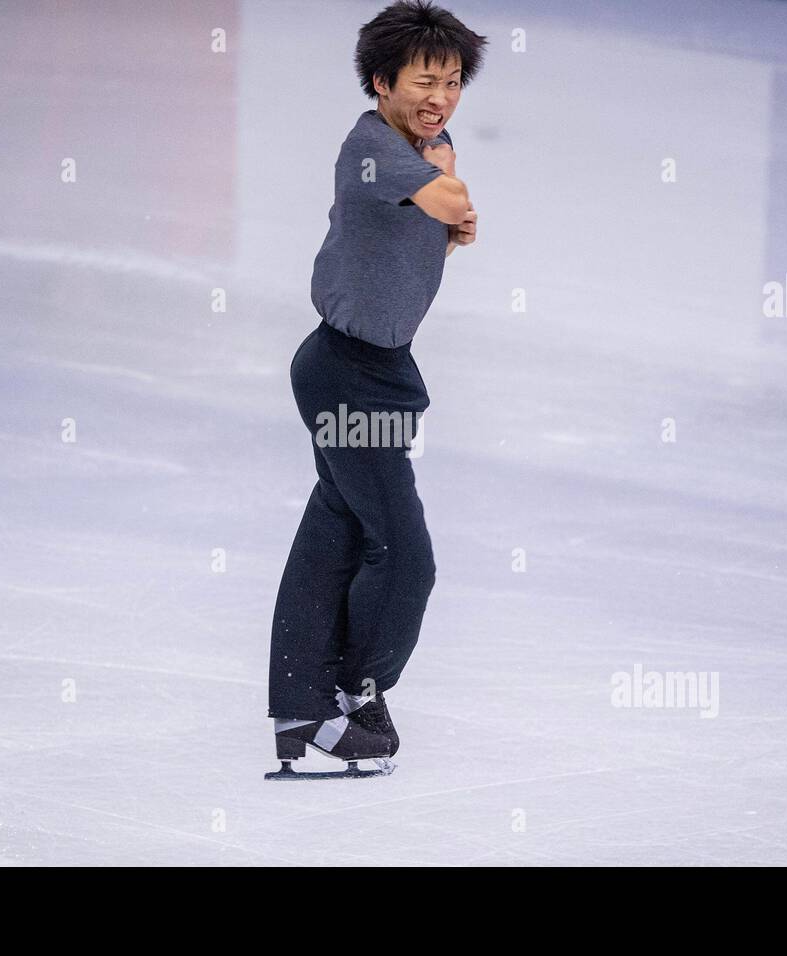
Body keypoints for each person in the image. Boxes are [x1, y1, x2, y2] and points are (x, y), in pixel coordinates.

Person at [267, 0, 487, 769]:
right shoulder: (373, 152)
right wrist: (450, 198)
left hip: (377, 372)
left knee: (339, 531)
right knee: (404, 553)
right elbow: (454, 206)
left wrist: (449, 204)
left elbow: (449, 223)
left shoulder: (429, 143)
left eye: (455, 81)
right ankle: (351, 690)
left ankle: (299, 709)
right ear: (381, 82)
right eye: (426, 82)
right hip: (345, 377)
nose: (442, 99)